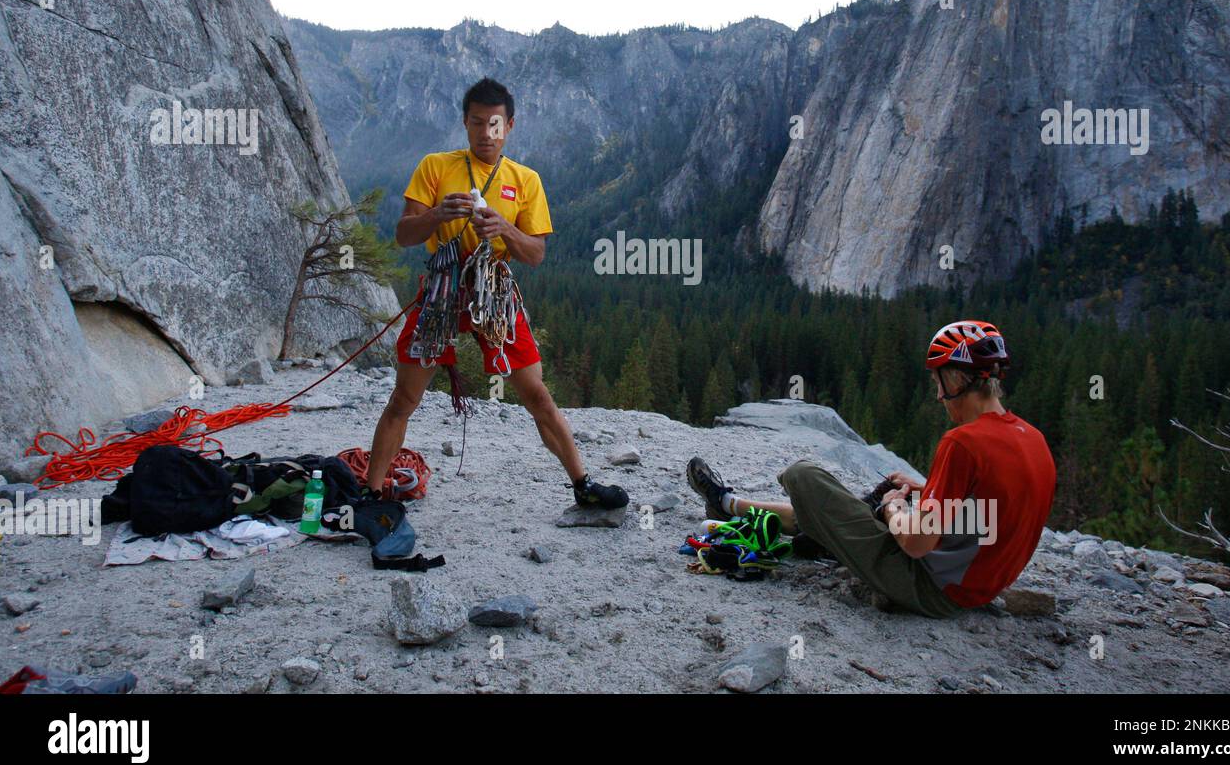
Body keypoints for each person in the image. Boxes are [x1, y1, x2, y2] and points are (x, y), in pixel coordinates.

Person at [366, 77, 628, 510]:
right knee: (404, 398)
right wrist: (436, 215)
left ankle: (583, 484)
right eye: (476, 123)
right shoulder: (435, 166)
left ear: (509, 126)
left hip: (494, 292)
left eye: (494, 124)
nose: (486, 133)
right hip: (442, 291)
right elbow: (403, 235)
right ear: (465, 124)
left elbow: (536, 253)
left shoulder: (525, 180)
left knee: (536, 395)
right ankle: (372, 493)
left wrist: (504, 228)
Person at [686, 320, 1056, 617]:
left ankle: (735, 505)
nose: (939, 396)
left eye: (938, 383)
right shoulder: (1033, 439)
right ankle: (730, 503)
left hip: (932, 588)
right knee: (842, 513)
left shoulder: (963, 443)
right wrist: (928, 491)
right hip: (977, 583)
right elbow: (992, 515)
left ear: (957, 379)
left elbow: (914, 544)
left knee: (803, 477)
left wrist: (893, 508)